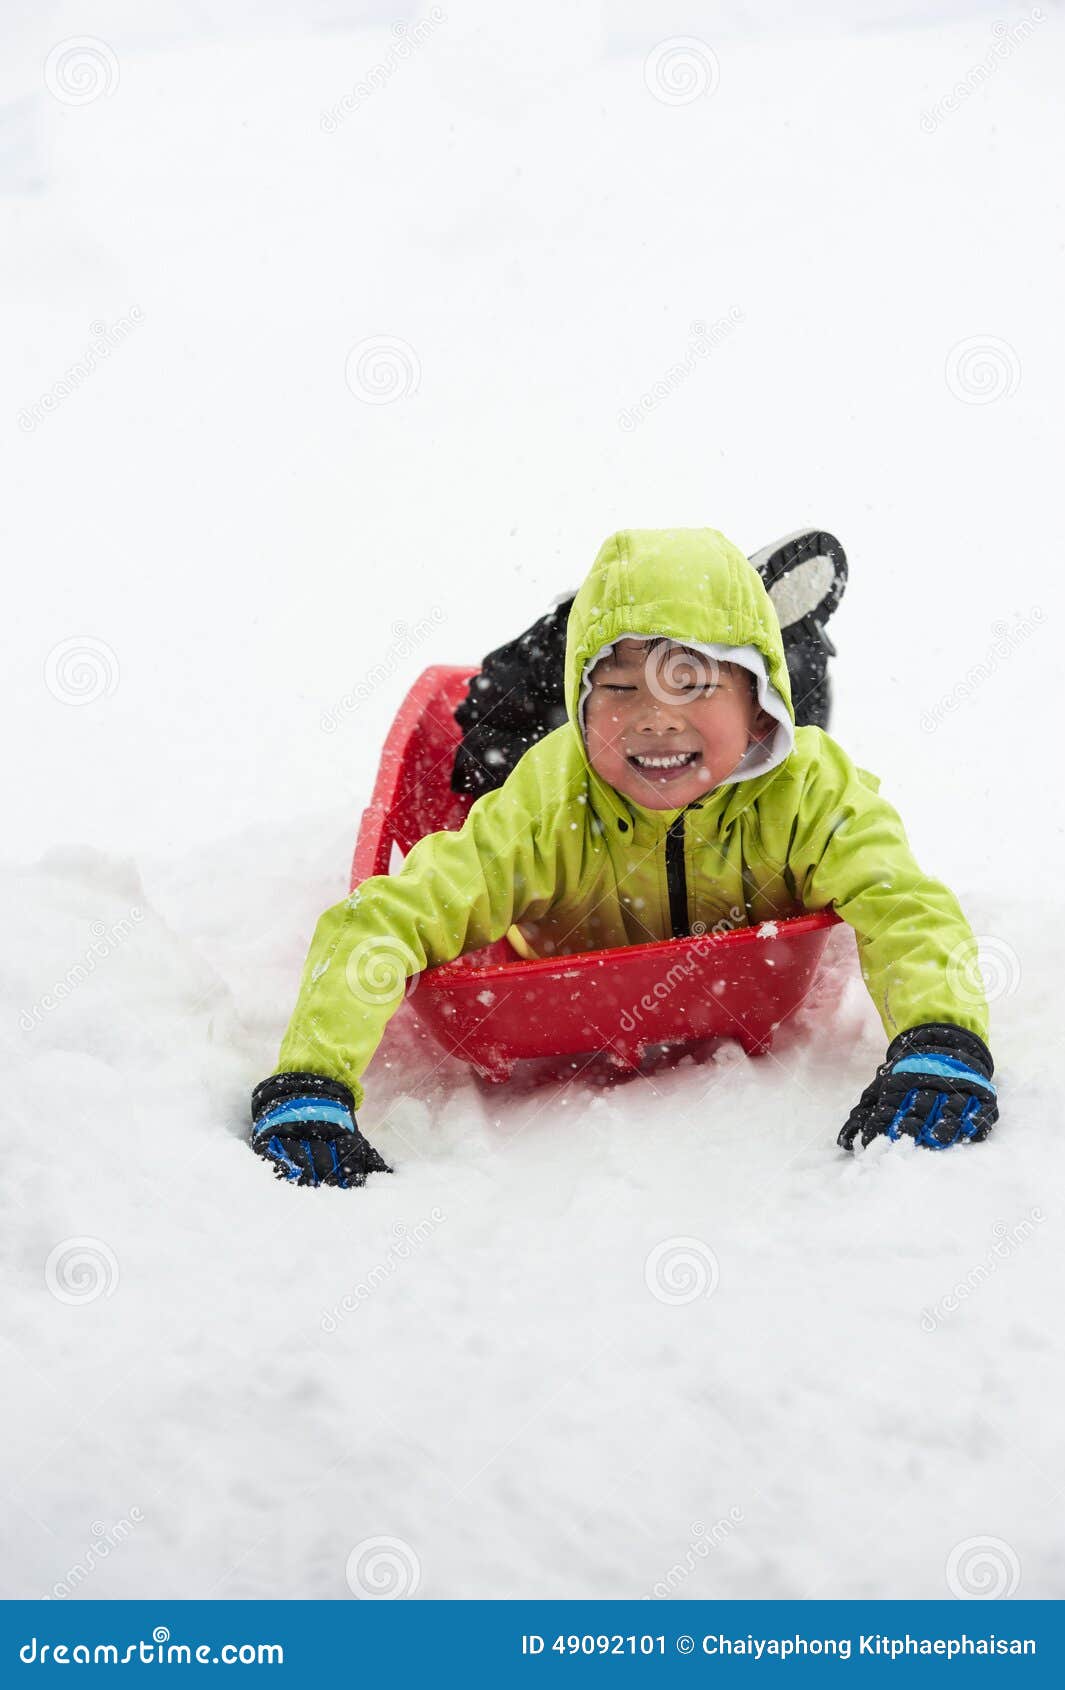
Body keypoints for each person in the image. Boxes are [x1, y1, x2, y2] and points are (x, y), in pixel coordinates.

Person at [250, 527, 996, 1188]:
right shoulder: (546, 801)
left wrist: (939, 1036)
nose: (651, 718)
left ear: (756, 696)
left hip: (757, 736)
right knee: (486, 742)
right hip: (561, 749)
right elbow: (386, 916)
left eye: (691, 681)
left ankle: (771, 635)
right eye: (615, 688)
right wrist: (312, 1079)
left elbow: (902, 902)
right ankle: (576, 643)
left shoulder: (807, 789)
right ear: (584, 709)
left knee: (787, 702)